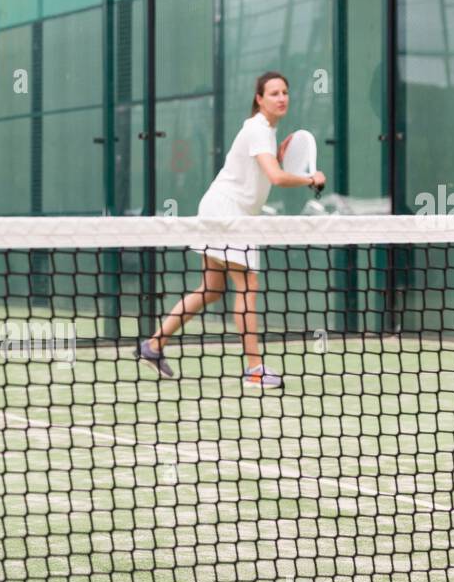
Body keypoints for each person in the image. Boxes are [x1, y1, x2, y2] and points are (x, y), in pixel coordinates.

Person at [138, 71, 325, 387]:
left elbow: (265, 175)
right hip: (228, 214)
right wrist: (311, 179)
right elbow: (278, 178)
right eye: (274, 93)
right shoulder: (258, 129)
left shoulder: (262, 133)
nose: (281, 98)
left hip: (219, 208)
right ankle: (254, 369)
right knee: (248, 287)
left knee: (211, 289)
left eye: (284, 92)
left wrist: (276, 162)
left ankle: (153, 346)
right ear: (259, 99)